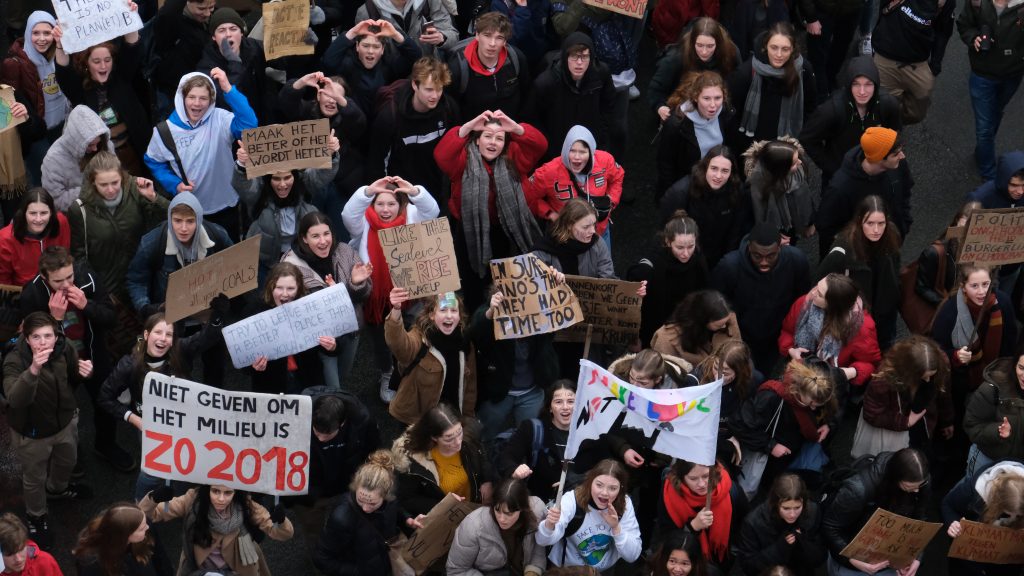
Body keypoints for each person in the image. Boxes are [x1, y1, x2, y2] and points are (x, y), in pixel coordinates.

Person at [98, 309, 225, 501]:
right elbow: (105, 397)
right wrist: (134, 419)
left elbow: (207, 338)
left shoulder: (180, 350)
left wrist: (216, 318)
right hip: (150, 427)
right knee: (152, 474)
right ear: (146, 334)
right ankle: (142, 507)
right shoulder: (129, 365)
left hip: (184, 423)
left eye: (169, 334)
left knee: (183, 465)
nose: (163, 339)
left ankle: (176, 501)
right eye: (158, 332)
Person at [19, 247, 124, 470]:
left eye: (70, 277)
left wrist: (87, 305)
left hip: (93, 355)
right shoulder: (33, 294)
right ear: (44, 277)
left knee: (106, 400)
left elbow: (111, 319)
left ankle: (106, 445)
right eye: (58, 281)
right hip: (58, 364)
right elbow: (34, 345)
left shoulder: (87, 278)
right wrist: (55, 320)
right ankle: (70, 456)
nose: (67, 285)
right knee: (61, 411)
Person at [434, 109, 546, 308]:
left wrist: (516, 128)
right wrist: (468, 127)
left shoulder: (514, 156)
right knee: (472, 282)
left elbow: (540, 145)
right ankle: (475, 316)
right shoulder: (463, 159)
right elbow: (441, 155)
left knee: (506, 281)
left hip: (507, 231)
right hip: (470, 231)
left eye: (499, 138)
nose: (493, 142)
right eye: (487, 136)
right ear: (477, 140)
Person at [342, 175, 439, 401]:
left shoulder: (412, 215)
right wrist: (367, 191)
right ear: (372, 204)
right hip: (376, 299)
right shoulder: (363, 221)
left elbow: (432, 212)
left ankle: (412, 371)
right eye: (380, 204)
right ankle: (387, 373)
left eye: (391, 204)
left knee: (414, 333)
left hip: (410, 293)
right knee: (381, 340)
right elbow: (348, 215)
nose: (385, 209)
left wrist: (415, 192)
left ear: (401, 203)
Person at [4, 312, 94, 545]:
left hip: (65, 423)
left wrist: (84, 372)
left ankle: (57, 490)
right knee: (34, 478)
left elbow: (71, 377)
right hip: (31, 435)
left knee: (67, 462)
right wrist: (33, 369)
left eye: (48, 336)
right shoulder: (14, 360)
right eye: (36, 337)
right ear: (26, 338)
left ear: (56, 335)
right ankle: (36, 515)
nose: (43, 342)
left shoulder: (64, 347)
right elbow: (15, 399)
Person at [143, 70, 257, 236]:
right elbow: (153, 161)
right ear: (182, 97)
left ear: (211, 100)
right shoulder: (164, 130)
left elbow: (250, 126)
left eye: (203, 98)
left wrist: (228, 89)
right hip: (192, 210)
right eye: (191, 97)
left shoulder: (220, 118)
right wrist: (174, 184)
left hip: (227, 203)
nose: (197, 103)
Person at [68, 151, 167, 321]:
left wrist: (153, 198)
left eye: (115, 182)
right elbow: (80, 256)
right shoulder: (80, 210)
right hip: (110, 288)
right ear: (93, 182)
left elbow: (172, 220)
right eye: (103, 184)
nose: (110, 189)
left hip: (144, 278)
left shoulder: (136, 190)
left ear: (122, 177)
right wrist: (99, 290)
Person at [53, 9, 150, 177]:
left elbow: (133, 48)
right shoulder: (79, 90)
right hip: (101, 161)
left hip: (132, 153)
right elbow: (63, 72)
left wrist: (129, 15)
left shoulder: (122, 78)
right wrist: (60, 44)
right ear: (87, 64)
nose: (103, 66)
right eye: (96, 61)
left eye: (107, 60)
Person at [281, 212, 372, 390]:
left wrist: (355, 284)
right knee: (332, 388)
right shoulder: (290, 266)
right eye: (315, 236)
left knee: (343, 375)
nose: (323, 241)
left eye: (326, 234)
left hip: (350, 331)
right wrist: (332, 297)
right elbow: (288, 306)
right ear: (304, 239)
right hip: (320, 341)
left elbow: (366, 293)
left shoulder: (345, 252)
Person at [711, 223, 811, 374]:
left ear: (780, 248)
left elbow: (802, 301)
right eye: (757, 256)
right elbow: (716, 303)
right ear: (749, 247)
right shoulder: (730, 266)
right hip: (742, 336)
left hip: (776, 335)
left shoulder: (796, 261)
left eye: (771, 256)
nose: (764, 262)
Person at [728, 360, 836, 499]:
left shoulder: (819, 388)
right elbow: (739, 424)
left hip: (789, 454)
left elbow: (830, 412)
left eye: (818, 405)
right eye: (811, 404)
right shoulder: (771, 397)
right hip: (771, 456)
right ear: (799, 390)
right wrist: (771, 446)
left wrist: (828, 424)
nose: (814, 408)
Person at [232, 138, 334, 282]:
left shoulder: (304, 186)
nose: (282, 184)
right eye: (276, 179)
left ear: (295, 177)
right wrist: (242, 165)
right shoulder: (259, 194)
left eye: (287, 178)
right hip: (266, 263)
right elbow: (244, 186)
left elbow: (321, 175)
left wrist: (330, 154)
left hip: (302, 259)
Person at [139, 484, 293, 576]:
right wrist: (154, 498)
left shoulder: (246, 504)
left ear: (236, 493)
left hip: (239, 571)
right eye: (215, 491)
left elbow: (281, 534)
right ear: (207, 490)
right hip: (198, 570)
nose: (221, 499)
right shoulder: (193, 499)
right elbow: (148, 515)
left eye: (228, 493)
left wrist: (280, 521)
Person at [822, 448, 931, 576]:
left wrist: (916, 556)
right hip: (852, 561)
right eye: (910, 487)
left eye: (920, 485)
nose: (917, 491)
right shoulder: (858, 490)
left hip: (888, 558)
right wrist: (852, 559)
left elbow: (919, 520)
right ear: (895, 477)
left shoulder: (920, 481)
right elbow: (830, 527)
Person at [798, 56, 902, 190]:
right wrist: (832, 167)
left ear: (876, 84)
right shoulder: (832, 110)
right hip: (840, 179)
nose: (862, 91)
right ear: (848, 84)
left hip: (874, 174)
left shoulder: (888, 104)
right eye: (856, 84)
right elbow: (807, 138)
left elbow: (895, 134)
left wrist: (884, 162)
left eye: (868, 84)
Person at [367, 57, 459, 205]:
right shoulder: (390, 116)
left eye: (439, 89)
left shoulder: (448, 108)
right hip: (401, 193)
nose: (435, 96)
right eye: (429, 89)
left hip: (438, 190)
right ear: (415, 85)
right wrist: (385, 196)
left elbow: (456, 149)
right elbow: (377, 162)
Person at [124, 193, 233, 316]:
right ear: (170, 219)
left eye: (190, 221)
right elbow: (136, 280)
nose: (183, 228)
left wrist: (226, 296)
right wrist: (146, 307)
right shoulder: (152, 243)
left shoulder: (217, 235)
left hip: (209, 312)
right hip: (172, 318)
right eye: (177, 221)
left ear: (199, 220)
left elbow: (235, 267)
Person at [473, 288, 560, 442]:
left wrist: (555, 286)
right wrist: (490, 312)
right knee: (486, 437)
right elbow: (474, 334)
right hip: (498, 393)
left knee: (530, 439)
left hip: (532, 393)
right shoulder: (492, 309)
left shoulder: (540, 312)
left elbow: (558, 320)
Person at [314, 450, 419, 576]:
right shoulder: (341, 518)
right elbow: (322, 559)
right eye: (360, 500)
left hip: (385, 561)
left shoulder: (390, 499)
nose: (365, 508)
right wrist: (359, 572)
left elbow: (395, 508)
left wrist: (407, 519)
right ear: (355, 487)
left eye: (372, 504)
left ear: (386, 495)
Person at [817, 195, 901, 349]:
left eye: (881, 223)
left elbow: (894, 271)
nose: (876, 230)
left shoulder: (891, 236)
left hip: (885, 319)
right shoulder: (842, 252)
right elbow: (819, 287)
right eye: (870, 223)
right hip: (856, 325)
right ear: (859, 221)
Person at [815, 127, 914, 255]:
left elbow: (905, 192)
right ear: (879, 158)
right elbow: (826, 227)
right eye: (896, 154)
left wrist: (903, 226)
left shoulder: (898, 165)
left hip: (890, 246)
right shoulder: (841, 188)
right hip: (860, 256)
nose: (902, 156)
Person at [386, 289, 478, 425]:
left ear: (460, 316)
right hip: (418, 421)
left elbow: (470, 386)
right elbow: (399, 344)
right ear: (431, 315)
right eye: (443, 310)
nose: (449, 316)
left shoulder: (465, 343)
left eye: (454, 311)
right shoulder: (420, 337)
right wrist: (396, 310)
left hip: (451, 419)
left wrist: (468, 418)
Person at [0, 11, 69, 188]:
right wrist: (27, 119)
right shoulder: (13, 64)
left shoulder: (60, 53)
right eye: (36, 33)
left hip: (61, 125)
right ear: (27, 33)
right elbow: (9, 106)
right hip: (36, 133)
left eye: (47, 33)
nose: (42, 39)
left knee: (65, 172)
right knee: (45, 178)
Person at [779, 273, 882, 393]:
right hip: (799, 372)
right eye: (817, 286)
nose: (812, 292)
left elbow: (870, 363)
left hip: (830, 385)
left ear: (833, 305)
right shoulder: (805, 303)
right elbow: (787, 331)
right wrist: (790, 351)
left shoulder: (861, 327)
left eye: (819, 294)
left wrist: (848, 373)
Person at [932, 264, 1018, 403]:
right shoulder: (949, 312)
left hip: (996, 372)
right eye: (974, 286)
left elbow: (1010, 340)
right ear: (963, 287)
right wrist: (955, 355)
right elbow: (936, 350)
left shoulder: (1003, 302)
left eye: (985, 284)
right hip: (963, 379)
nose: (982, 292)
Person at [526, 32, 620, 161]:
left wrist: (600, 134)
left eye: (584, 57)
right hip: (556, 148)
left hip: (590, 143)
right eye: (574, 56)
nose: (579, 62)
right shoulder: (546, 82)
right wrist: (547, 145)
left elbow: (608, 105)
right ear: (565, 57)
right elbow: (532, 116)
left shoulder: (601, 73)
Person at [536, 459, 642, 571]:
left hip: (602, 571)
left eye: (612, 488)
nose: (604, 493)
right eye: (599, 485)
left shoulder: (624, 503)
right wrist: (550, 524)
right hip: (568, 570)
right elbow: (542, 540)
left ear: (621, 489)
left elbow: (633, 555)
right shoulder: (572, 499)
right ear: (590, 482)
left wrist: (616, 528)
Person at [243, 263, 334, 393]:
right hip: (271, 384)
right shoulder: (254, 311)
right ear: (270, 287)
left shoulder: (309, 308)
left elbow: (330, 347)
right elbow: (243, 361)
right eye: (279, 288)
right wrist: (253, 367)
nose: (285, 294)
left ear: (299, 288)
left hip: (307, 380)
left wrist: (332, 346)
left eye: (291, 288)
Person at [392, 403, 495, 516]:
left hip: (473, 504)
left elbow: (481, 454)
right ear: (434, 437)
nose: (458, 442)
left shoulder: (469, 435)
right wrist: (444, 505)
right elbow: (409, 499)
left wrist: (486, 480)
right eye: (449, 439)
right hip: (447, 516)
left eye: (459, 432)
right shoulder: (413, 463)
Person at [859, 336, 954, 457]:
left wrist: (947, 421)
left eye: (931, 376)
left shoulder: (941, 362)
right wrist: (905, 422)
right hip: (900, 434)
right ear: (908, 372)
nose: (928, 380)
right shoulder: (883, 381)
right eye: (923, 377)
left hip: (926, 427)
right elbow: (871, 414)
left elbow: (944, 394)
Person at [728, 24, 817, 153]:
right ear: (765, 47)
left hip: (788, 147)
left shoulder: (803, 69)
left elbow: (810, 107)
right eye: (774, 48)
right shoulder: (745, 73)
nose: (779, 54)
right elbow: (732, 113)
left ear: (793, 49)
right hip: (752, 146)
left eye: (785, 49)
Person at [628, 211, 711, 346]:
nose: (686, 254)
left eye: (691, 246)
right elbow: (634, 293)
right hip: (655, 329)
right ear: (668, 241)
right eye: (680, 247)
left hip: (685, 329)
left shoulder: (699, 261)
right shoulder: (654, 263)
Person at [659, 147, 750, 268]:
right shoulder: (680, 193)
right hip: (686, 258)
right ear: (705, 167)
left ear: (731, 173)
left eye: (725, 171)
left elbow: (735, 231)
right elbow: (666, 233)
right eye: (714, 168)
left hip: (717, 257)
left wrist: (726, 262)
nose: (718, 176)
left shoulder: (737, 191)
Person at [529, 125, 624, 239]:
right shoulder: (548, 172)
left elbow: (618, 177)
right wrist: (551, 214)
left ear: (591, 152)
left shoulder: (605, 161)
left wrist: (611, 201)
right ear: (565, 150)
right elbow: (529, 196)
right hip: (568, 236)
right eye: (572, 151)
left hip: (600, 233)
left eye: (582, 152)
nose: (577, 157)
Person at [869, 0, 955, 124]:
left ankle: (893, 122)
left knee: (917, 114)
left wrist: (935, 65)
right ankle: (888, 127)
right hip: (886, 59)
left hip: (918, 64)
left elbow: (943, 31)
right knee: (880, 110)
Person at [498, 380, 580, 503]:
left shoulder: (590, 433)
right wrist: (514, 470)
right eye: (558, 402)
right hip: (541, 503)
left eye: (571, 401)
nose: (565, 407)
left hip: (579, 502)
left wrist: (573, 483)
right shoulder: (531, 428)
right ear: (550, 407)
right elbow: (507, 457)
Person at [657, 71, 735, 198]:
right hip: (688, 185)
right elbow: (666, 164)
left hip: (716, 180)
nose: (713, 105)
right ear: (695, 97)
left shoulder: (725, 113)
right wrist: (671, 196)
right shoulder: (676, 124)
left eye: (717, 98)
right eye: (706, 98)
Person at [447, 478, 548, 576]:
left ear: (522, 508)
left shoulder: (537, 512)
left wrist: (533, 571)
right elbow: (456, 570)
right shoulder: (473, 526)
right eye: (497, 510)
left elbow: (538, 549)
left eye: (509, 514)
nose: (502, 519)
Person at [321, 19, 422, 116]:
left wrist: (395, 34)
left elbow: (415, 57)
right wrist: (353, 32)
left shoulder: (389, 65)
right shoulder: (348, 64)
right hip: (353, 121)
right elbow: (328, 61)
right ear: (357, 46)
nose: (370, 51)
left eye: (376, 47)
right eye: (365, 46)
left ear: (382, 49)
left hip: (382, 120)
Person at [648, 18, 740, 123]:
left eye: (710, 46)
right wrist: (659, 107)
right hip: (682, 112)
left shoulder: (730, 53)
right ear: (692, 42)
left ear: (718, 44)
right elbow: (656, 89)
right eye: (699, 45)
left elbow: (736, 82)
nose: (704, 52)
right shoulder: (675, 58)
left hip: (716, 112)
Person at [943, 460, 1024, 576]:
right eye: (1008, 512)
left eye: (1019, 515)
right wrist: (952, 523)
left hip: (1006, 559)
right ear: (997, 502)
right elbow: (948, 505)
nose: (1013, 517)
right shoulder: (972, 492)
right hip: (971, 556)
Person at [735, 473, 826, 576]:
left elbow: (820, 557)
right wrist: (779, 549)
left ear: (804, 503)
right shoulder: (753, 522)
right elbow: (748, 567)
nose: (792, 514)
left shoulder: (812, 512)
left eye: (797, 507)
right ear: (775, 503)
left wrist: (802, 542)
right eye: (786, 508)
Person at [447, 12, 531, 121]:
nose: (492, 43)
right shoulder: (458, 67)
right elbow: (451, 108)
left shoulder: (515, 59)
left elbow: (526, 96)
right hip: (474, 129)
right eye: (487, 35)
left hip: (508, 126)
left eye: (499, 38)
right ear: (477, 35)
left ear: (505, 41)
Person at [195, 8, 272, 122]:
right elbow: (224, 102)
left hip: (262, 116)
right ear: (214, 37)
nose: (228, 34)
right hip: (234, 123)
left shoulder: (252, 46)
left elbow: (281, 59)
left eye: (233, 29)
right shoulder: (207, 66)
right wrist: (234, 63)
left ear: (241, 33)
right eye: (221, 30)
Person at [657, 459, 735, 568]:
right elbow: (665, 538)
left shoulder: (729, 489)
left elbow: (740, 533)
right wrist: (692, 527)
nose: (702, 484)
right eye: (693, 478)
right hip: (686, 564)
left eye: (706, 476)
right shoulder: (669, 495)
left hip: (721, 560)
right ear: (681, 478)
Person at [967, 151, 1024, 294]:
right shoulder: (981, 199)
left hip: (1012, 267)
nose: (1020, 191)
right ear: (1004, 180)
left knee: (1005, 296)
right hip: (985, 271)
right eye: (1014, 185)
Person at [39, 105, 113, 212]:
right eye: (90, 145)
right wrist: (91, 190)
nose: (95, 148)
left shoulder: (105, 144)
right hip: (80, 214)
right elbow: (55, 201)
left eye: (98, 143)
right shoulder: (53, 160)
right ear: (78, 142)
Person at [914, 201, 980, 317]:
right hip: (946, 311)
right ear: (956, 222)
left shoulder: (981, 250)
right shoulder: (934, 253)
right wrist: (945, 305)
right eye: (963, 227)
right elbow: (922, 287)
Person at [743, 138, 815, 244]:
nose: (800, 162)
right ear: (780, 169)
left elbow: (806, 199)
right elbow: (753, 220)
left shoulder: (797, 174)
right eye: (794, 163)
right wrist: (772, 238)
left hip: (792, 228)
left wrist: (809, 223)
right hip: (773, 234)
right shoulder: (754, 190)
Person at [963, 349, 1024, 475]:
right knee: (972, 486)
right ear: (1014, 365)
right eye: (1021, 368)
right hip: (988, 459)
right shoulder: (992, 388)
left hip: (1017, 466)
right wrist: (998, 431)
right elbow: (971, 425)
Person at [150, 0, 215, 115]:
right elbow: (167, 13)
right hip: (173, 92)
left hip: (202, 89)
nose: (207, 13)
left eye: (211, 8)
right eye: (201, 8)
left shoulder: (209, 21)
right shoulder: (172, 23)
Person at [73, 503, 173, 576]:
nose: (147, 527)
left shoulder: (141, 524)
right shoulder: (92, 563)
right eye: (141, 529)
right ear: (124, 535)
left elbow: (160, 559)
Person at [652, 290, 740, 368]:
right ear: (703, 320)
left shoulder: (728, 322)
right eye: (719, 324)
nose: (724, 326)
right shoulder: (667, 338)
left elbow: (737, 355)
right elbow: (666, 371)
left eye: (726, 322)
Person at [0, 188, 70, 287]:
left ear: (51, 213)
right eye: (33, 213)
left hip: (59, 285)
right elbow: (4, 282)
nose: (38, 219)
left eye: (43, 213)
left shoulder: (61, 222)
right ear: (24, 213)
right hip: (23, 291)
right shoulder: (5, 239)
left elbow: (66, 257)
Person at [355, 0, 459, 56]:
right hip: (391, 79)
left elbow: (453, 35)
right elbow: (362, 53)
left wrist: (442, 38)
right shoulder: (368, 11)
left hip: (427, 74)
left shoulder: (431, 2)